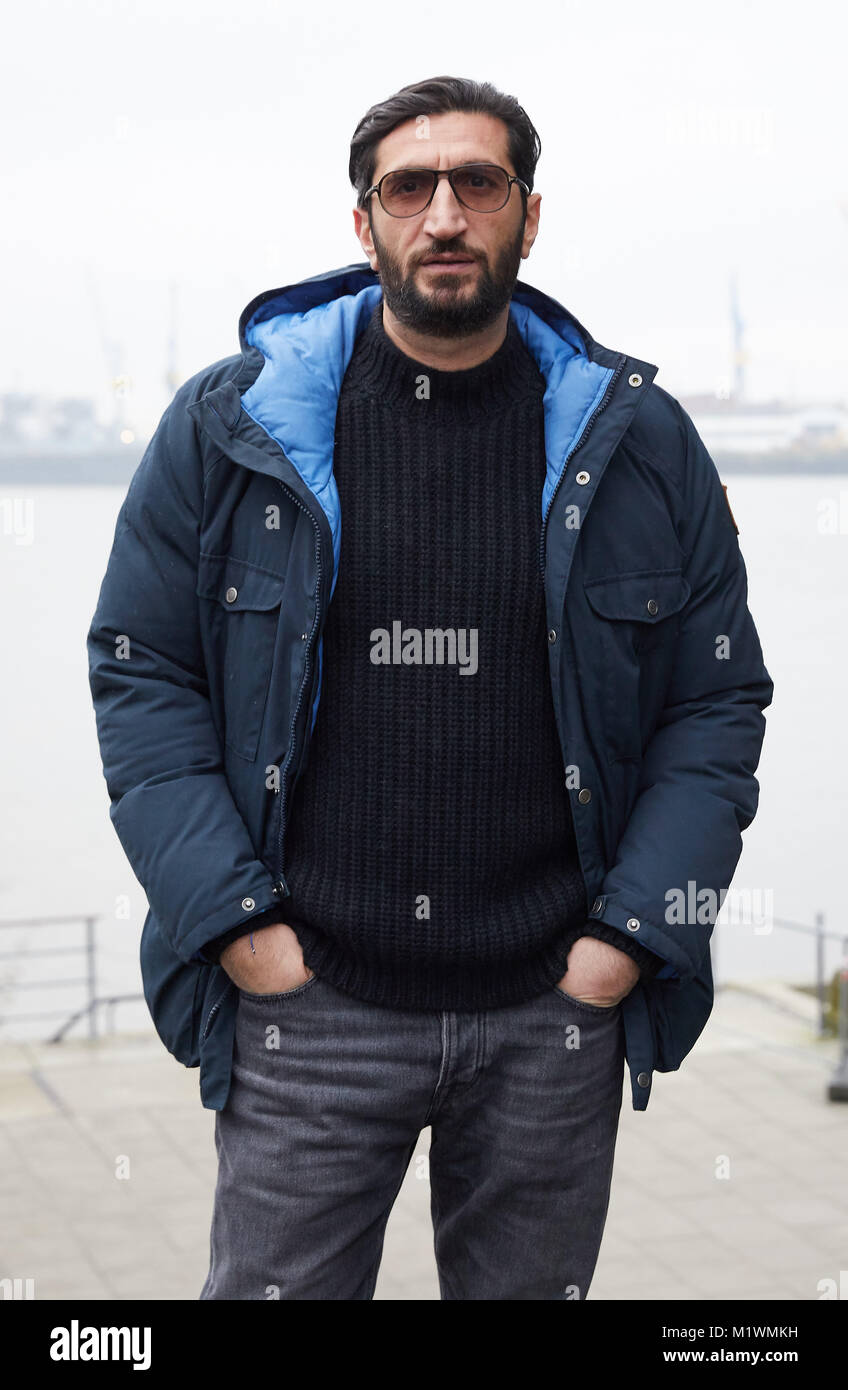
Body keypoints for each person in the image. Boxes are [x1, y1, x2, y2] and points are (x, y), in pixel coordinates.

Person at [87, 75, 774, 1300]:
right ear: (365, 223)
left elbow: (713, 703)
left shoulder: (639, 440)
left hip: (550, 1010)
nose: (444, 214)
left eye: (478, 184)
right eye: (410, 187)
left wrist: (624, 943)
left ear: (527, 213)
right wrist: (240, 930)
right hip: (310, 1010)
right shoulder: (225, 427)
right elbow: (143, 680)